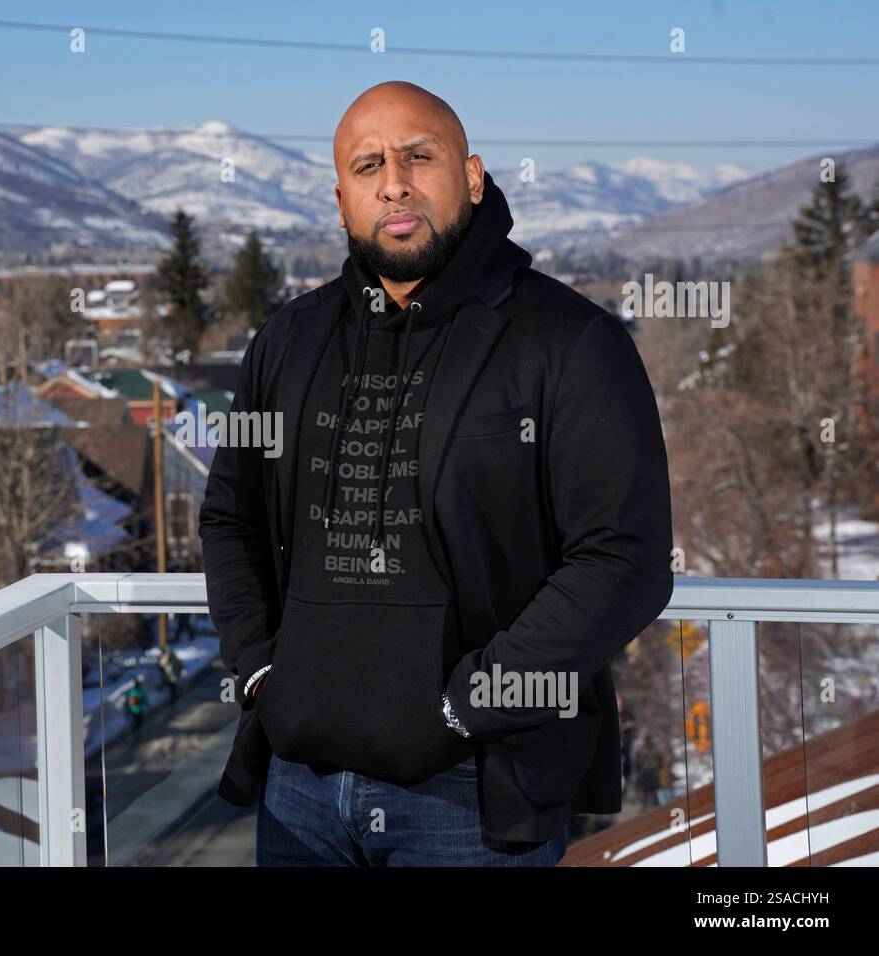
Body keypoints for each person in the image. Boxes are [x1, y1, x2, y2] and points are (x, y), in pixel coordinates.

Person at [199, 81, 674, 867]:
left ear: (474, 176)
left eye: (420, 156)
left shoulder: (571, 341)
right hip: (300, 790)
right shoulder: (289, 340)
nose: (395, 181)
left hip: (476, 793)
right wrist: (259, 671)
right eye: (368, 165)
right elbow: (231, 518)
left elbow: (624, 563)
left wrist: (463, 707)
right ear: (341, 200)